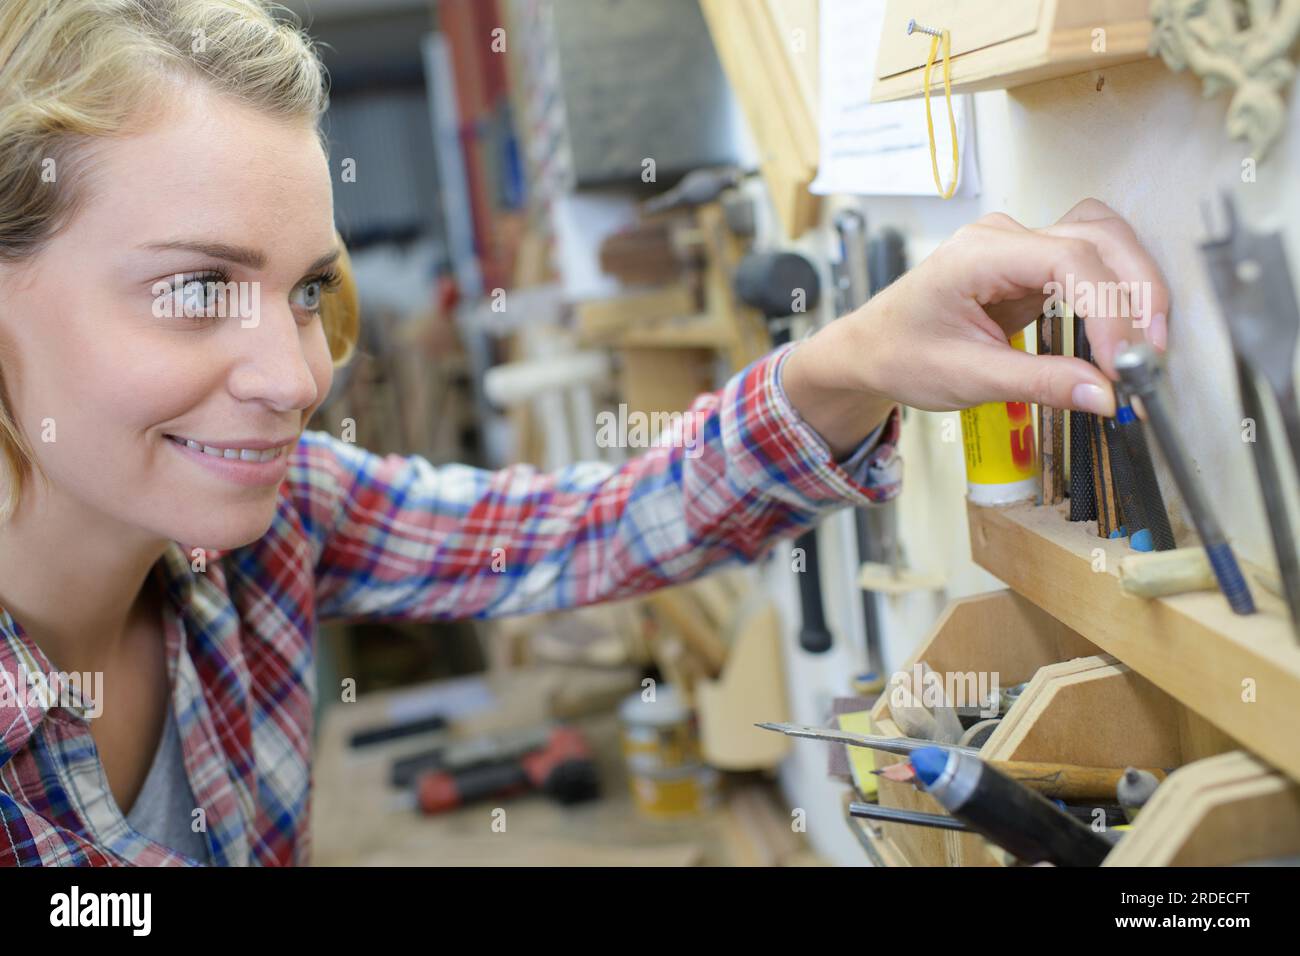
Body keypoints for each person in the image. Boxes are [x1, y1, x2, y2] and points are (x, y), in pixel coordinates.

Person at [0, 0, 1168, 866]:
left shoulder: (275, 521)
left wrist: (853, 358)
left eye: (307, 290)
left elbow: (586, 532)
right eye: (197, 288)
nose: (296, 373)